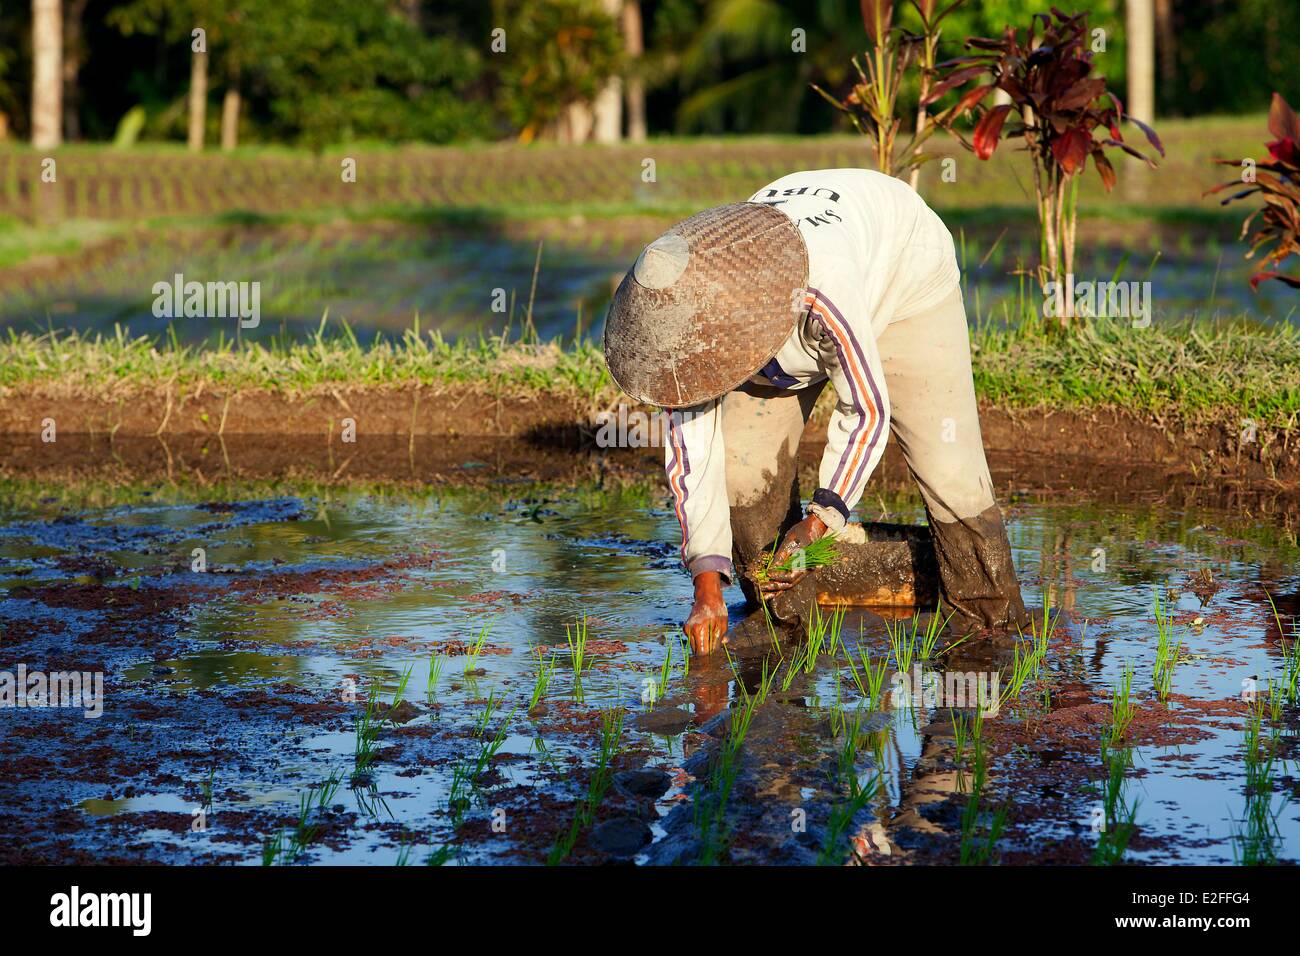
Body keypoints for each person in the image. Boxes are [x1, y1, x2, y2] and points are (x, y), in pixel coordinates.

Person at [602, 168, 1028, 655]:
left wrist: (821, 519)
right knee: (744, 479)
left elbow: (866, 410)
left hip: (904, 272)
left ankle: (988, 629)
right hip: (795, 315)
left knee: (950, 473)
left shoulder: (822, 289)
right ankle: (787, 631)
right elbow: (693, 455)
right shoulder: (687, 336)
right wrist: (706, 583)